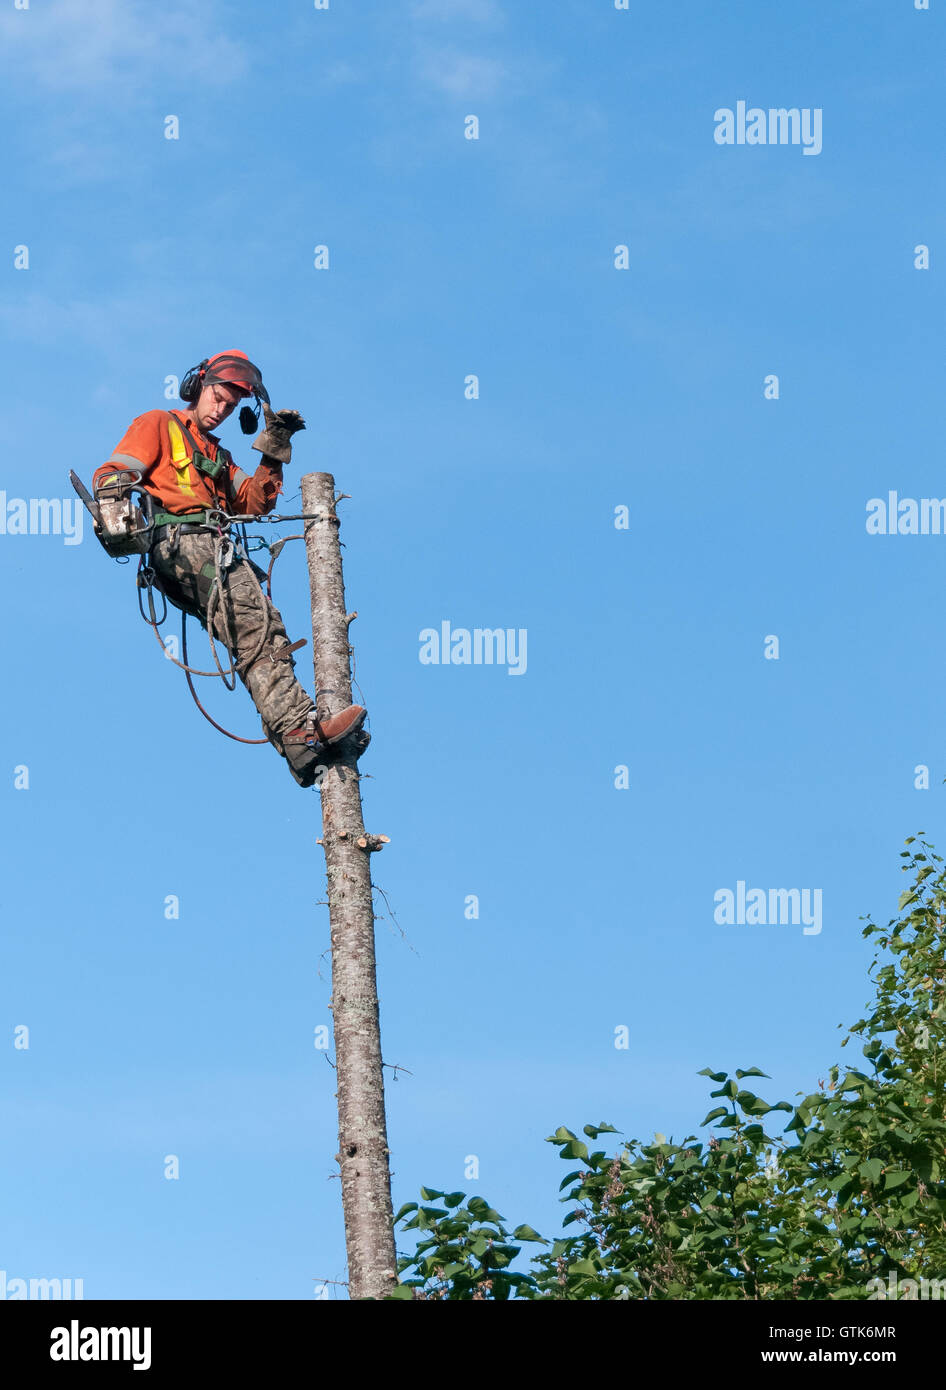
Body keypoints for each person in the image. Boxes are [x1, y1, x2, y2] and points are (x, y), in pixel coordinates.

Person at [92, 350, 366, 786]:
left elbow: (254, 501)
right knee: (254, 622)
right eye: (219, 397)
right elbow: (113, 471)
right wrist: (115, 502)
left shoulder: (217, 456)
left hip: (208, 548)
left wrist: (273, 447)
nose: (221, 410)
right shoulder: (158, 424)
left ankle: (299, 745)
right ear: (198, 386)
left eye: (232, 405)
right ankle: (298, 728)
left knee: (258, 627)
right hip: (182, 544)